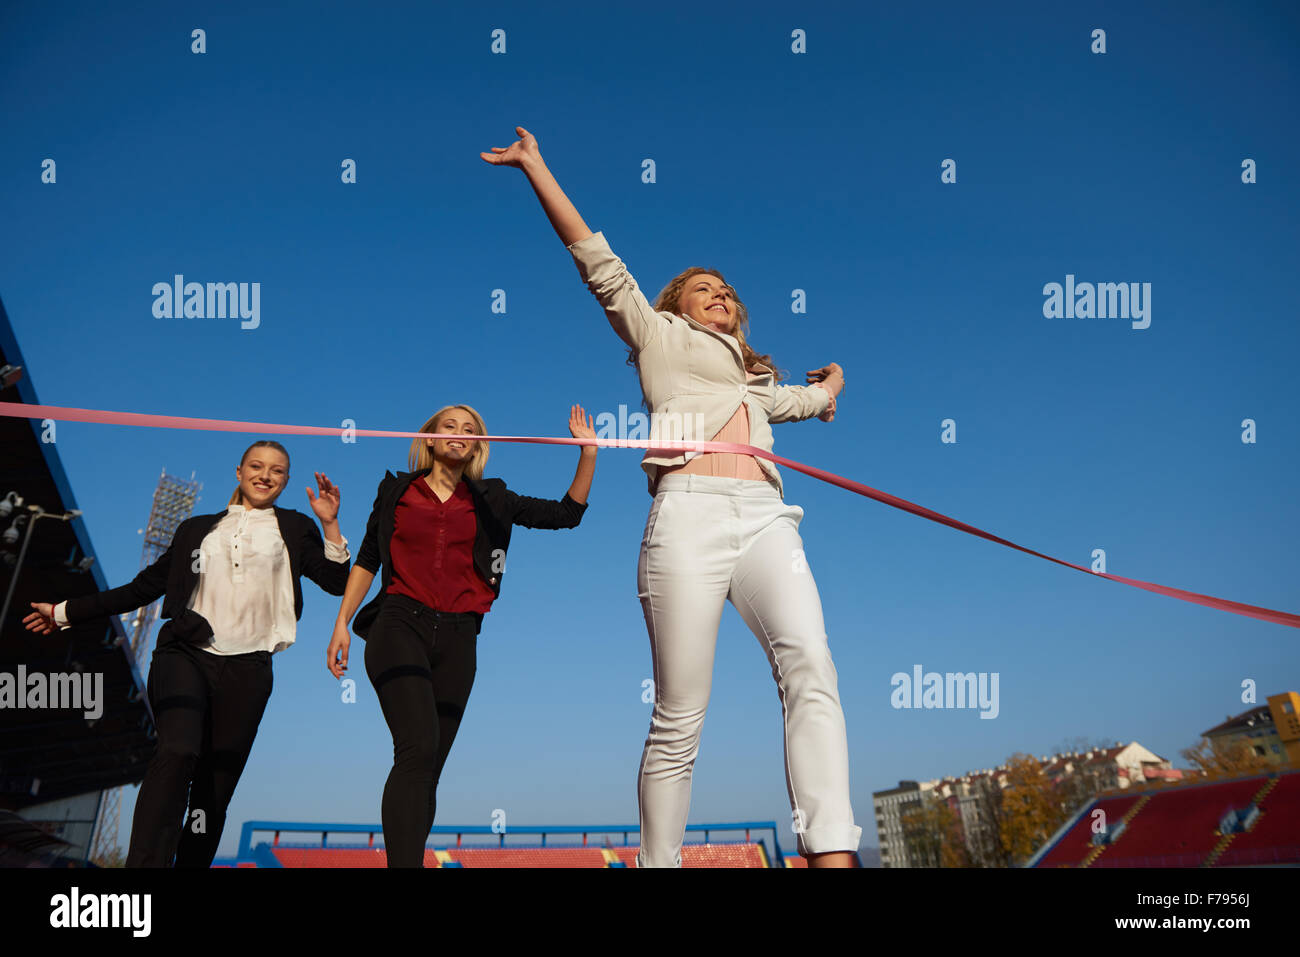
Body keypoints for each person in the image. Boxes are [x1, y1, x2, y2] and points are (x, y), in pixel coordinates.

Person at [483, 127, 861, 867]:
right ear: (677, 305)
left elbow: (804, 398)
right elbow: (597, 261)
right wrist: (536, 167)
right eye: (703, 288)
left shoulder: (753, 383)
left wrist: (831, 388)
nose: (720, 294)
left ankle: (832, 851)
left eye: (727, 291)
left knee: (813, 666)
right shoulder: (658, 337)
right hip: (685, 520)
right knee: (680, 714)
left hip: (766, 524)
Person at [24, 441, 350, 867]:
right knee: (177, 750)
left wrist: (330, 526)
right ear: (238, 471)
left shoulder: (295, 527)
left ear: (287, 480)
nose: (265, 475)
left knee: (215, 787)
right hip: (187, 652)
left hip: (249, 667)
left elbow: (335, 581)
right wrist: (65, 612)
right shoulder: (197, 529)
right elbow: (143, 587)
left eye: (277, 470)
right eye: (256, 465)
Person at [326, 403, 596, 867]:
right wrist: (342, 623)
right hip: (398, 623)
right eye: (449, 426)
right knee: (417, 748)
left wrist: (587, 453)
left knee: (428, 769)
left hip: (459, 636)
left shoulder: (492, 498)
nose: (459, 433)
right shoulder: (396, 491)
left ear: (477, 446)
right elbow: (369, 557)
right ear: (430, 439)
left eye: (469, 429)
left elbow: (566, 514)